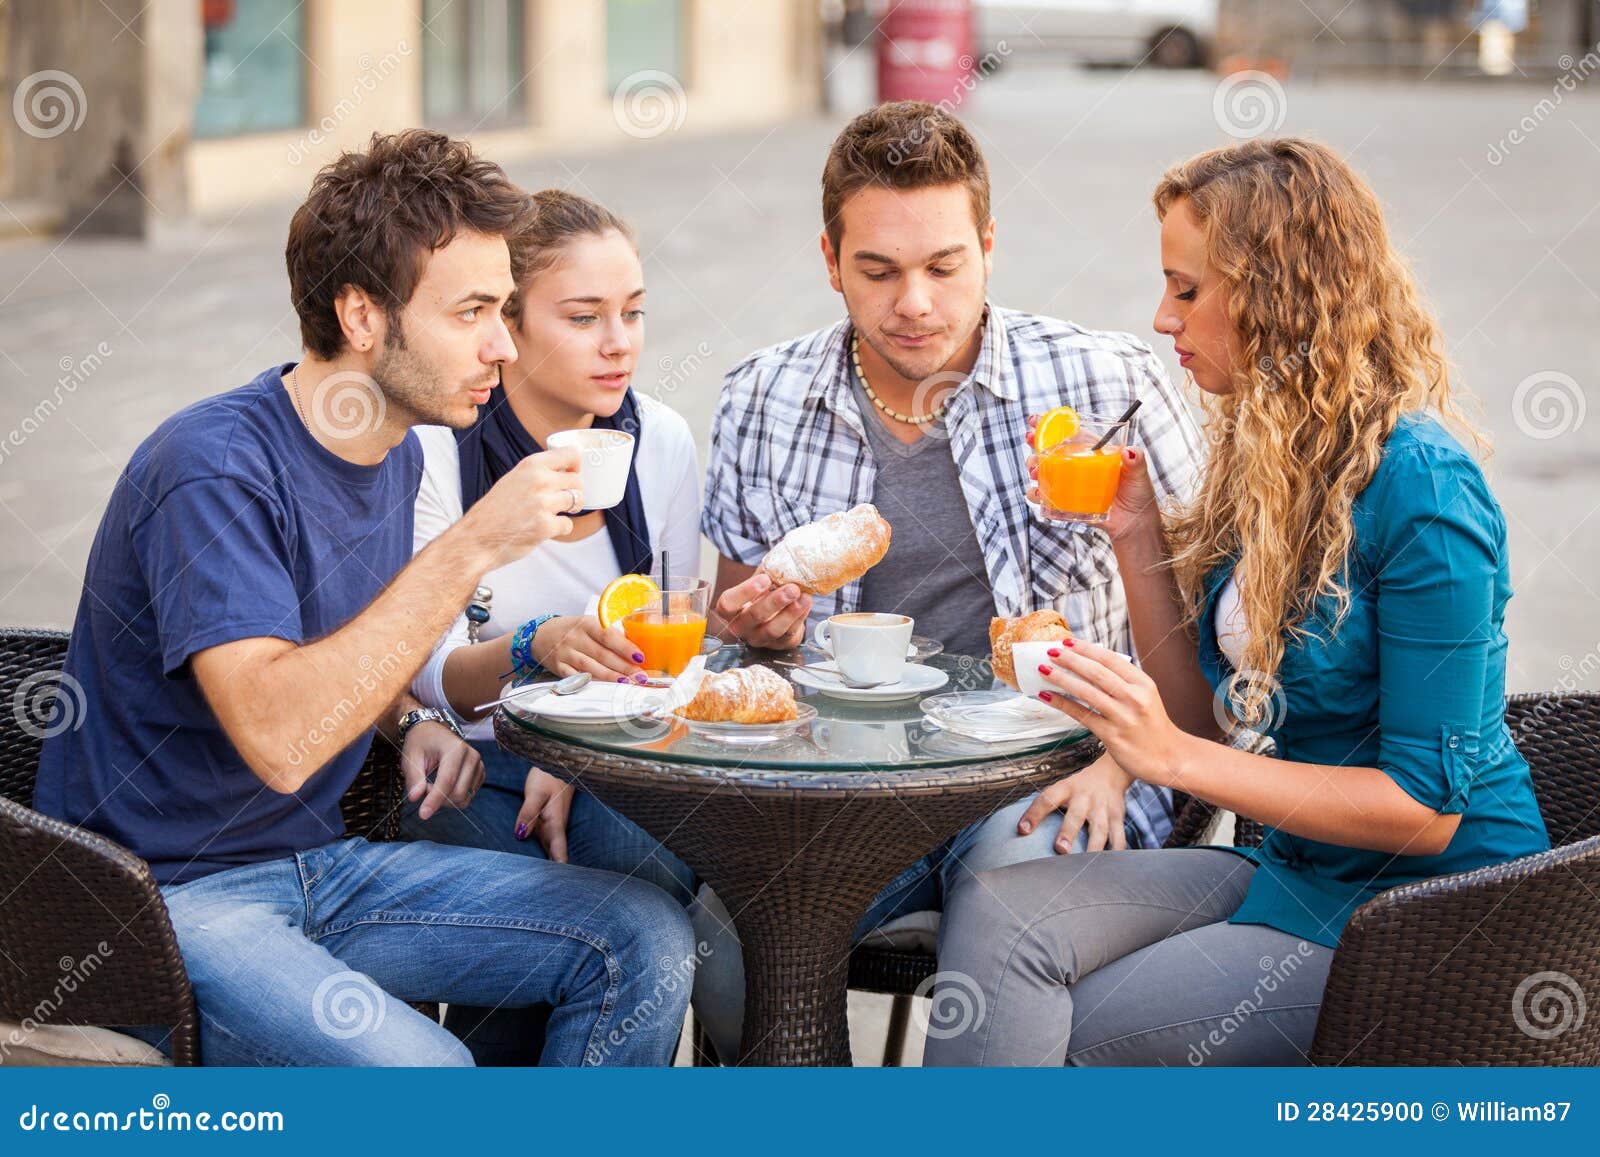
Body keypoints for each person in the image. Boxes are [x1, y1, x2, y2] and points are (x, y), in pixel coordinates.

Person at [31, 130, 694, 1067]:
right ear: (361, 315)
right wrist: (473, 544)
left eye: (505, 309)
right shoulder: (214, 469)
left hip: (324, 873)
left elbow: (334, 646)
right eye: (472, 312)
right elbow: (282, 736)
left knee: (645, 937)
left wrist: (399, 717)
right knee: (427, 1077)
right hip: (162, 904)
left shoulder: (390, 454)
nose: (502, 345)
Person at [924, 137, 1550, 1066]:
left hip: (1429, 914)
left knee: (1063, 1027)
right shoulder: (1268, 455)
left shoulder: (1424, 486)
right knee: (998, 921)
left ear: (1276, 291)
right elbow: (1205, 725)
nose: (1161, 318)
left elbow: (1425, 807)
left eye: (1187, 289)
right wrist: (1135, 535)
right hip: (1296, 868)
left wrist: (1167, 755)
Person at [691, 100, 1206, 1061]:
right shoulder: (761, 397)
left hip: (1057, 774)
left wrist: (1130, 755)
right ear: (830, 259)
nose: (914, 303)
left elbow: (1223, 642)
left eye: (943, 266)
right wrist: (758, 630)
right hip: (841, 789)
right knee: (725, 949)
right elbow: (740, 648)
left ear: (989, 247)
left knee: (1003, 927)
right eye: (878, 270)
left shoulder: (1106, 382)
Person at [401, 189, 703, 1060]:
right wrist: (536, 654)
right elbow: (435, 676)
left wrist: (575, 749)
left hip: (618, 753)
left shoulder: (662, 443)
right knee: (545, 896)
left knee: (636, 845)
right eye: (584, 317)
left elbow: (673, 648)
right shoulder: (440, 449)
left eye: (633, 313)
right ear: (511, 326)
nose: (620, 343)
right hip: (474, 756)